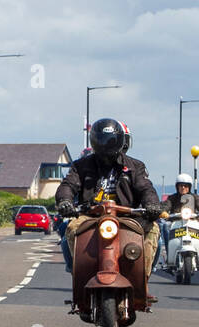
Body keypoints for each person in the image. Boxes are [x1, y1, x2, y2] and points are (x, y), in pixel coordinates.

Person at [55, 118, 163, 276]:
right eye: (103, 140)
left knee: (153, 229)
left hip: (129, 217)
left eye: (110, 140)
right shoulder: (81, 166)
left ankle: (141, 279)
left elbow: (146, 188)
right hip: (91, 216)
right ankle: (81, 275)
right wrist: (65, 201)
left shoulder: (135, 166)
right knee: (71, 228)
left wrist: (152, 205)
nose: (106, 145)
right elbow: (68, 185)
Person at [153, 172, 199, 273]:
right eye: (180, 185)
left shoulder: (194, 197)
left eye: (186, 186)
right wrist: (164, 211)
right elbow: (166, 205)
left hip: (191, 223)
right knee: (166, 228)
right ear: (177, 186)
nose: (183, 187)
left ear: (189, 187)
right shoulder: (172, 198)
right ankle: (170, 258)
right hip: (175, 223)